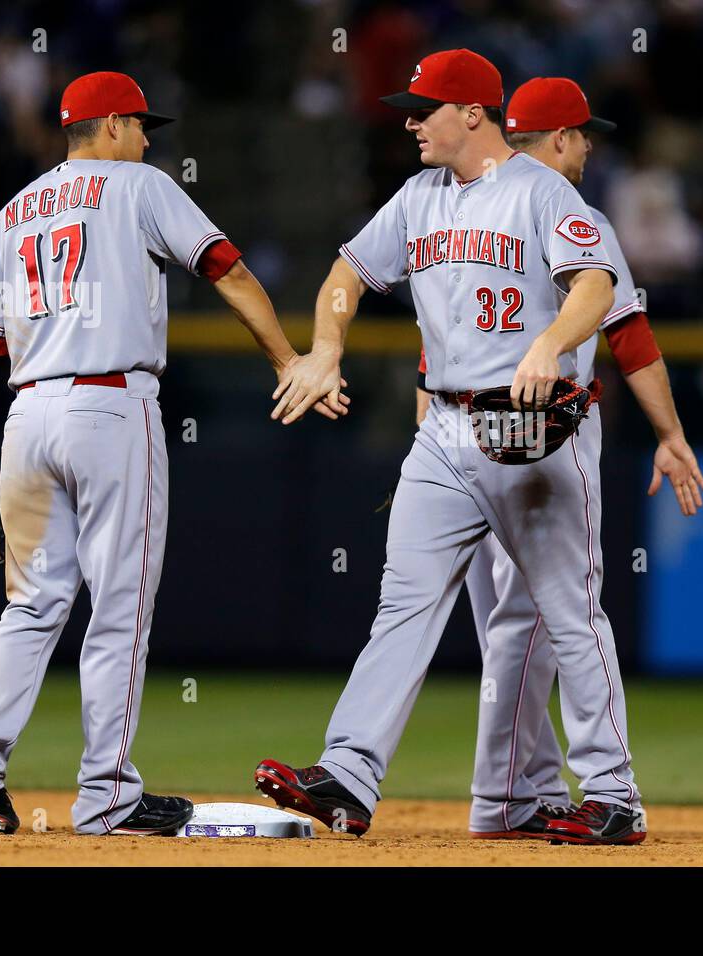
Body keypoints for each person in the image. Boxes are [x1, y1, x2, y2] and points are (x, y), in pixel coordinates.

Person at [255, 49, 645, 845]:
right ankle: (349, 775)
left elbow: (597, 286)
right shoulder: (416, 198)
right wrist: (325, 346)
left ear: (474, 114)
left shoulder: (541, 193)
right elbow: (346, 274)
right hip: (444, 430)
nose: (408, 119)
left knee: (569, 612)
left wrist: (550, 343)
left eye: (424, 106)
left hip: (536, 429)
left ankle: (612, 794)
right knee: (404, 601)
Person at [0, 71, 320, 835]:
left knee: (32, 604)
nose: (149, 138)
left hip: (25, 418)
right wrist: (287, 359)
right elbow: (231, 269)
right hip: (111, 408)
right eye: (141, 124)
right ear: (110, 125)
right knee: (120, 606)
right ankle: (109, 794)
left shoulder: (11, 213)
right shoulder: (137, 185)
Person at [411, 76, 703, 838]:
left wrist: (425, 442)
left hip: (461, 435)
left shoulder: (457, 204)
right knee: (547, 615)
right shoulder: (569, 210)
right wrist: (671, 435)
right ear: (558, 138)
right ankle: (571, 790)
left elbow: (431, 344)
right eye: (582, 134)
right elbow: (631, 338)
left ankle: (518, 790)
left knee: (514, 622)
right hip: (536, 437)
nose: (590, 146)